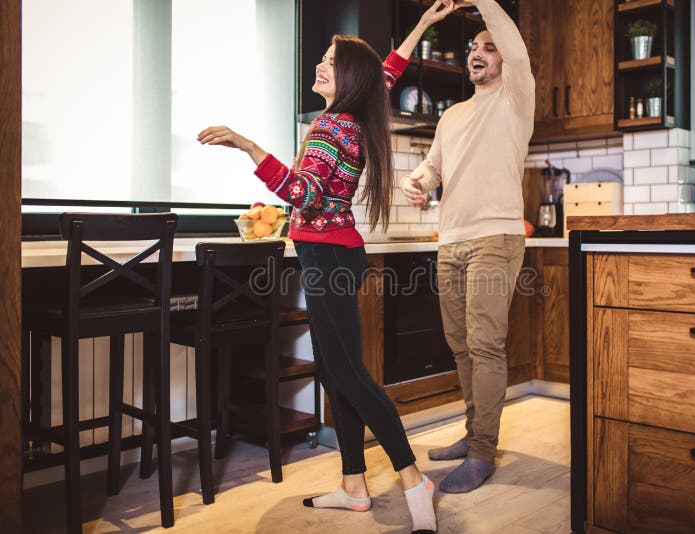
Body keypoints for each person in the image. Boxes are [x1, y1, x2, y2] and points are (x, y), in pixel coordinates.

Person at [197, 2, 457, 532]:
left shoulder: (331, 127)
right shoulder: (357, 113)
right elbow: (388, 70)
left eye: (329, 60)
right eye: (320, 57)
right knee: (336, 372)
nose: (318, 65)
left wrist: (247, 145)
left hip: (326, 255)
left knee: (349, 375)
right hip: (336, 254)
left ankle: (411, 478)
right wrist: (424, 25)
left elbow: (302, 194)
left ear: (347, 77)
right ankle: (354, 486)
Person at [400, 0, 536, 494]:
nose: (477, 52)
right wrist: (418, 181)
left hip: (494, 239)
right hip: (451, 241)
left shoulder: (517, 98)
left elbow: (517, 50)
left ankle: (482, 452)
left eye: (488, 46)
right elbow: (433, 168)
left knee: (484, 345)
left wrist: (484, 5)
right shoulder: (452, 116)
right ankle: (473, 433)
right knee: (460, 347)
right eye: (473, 46)